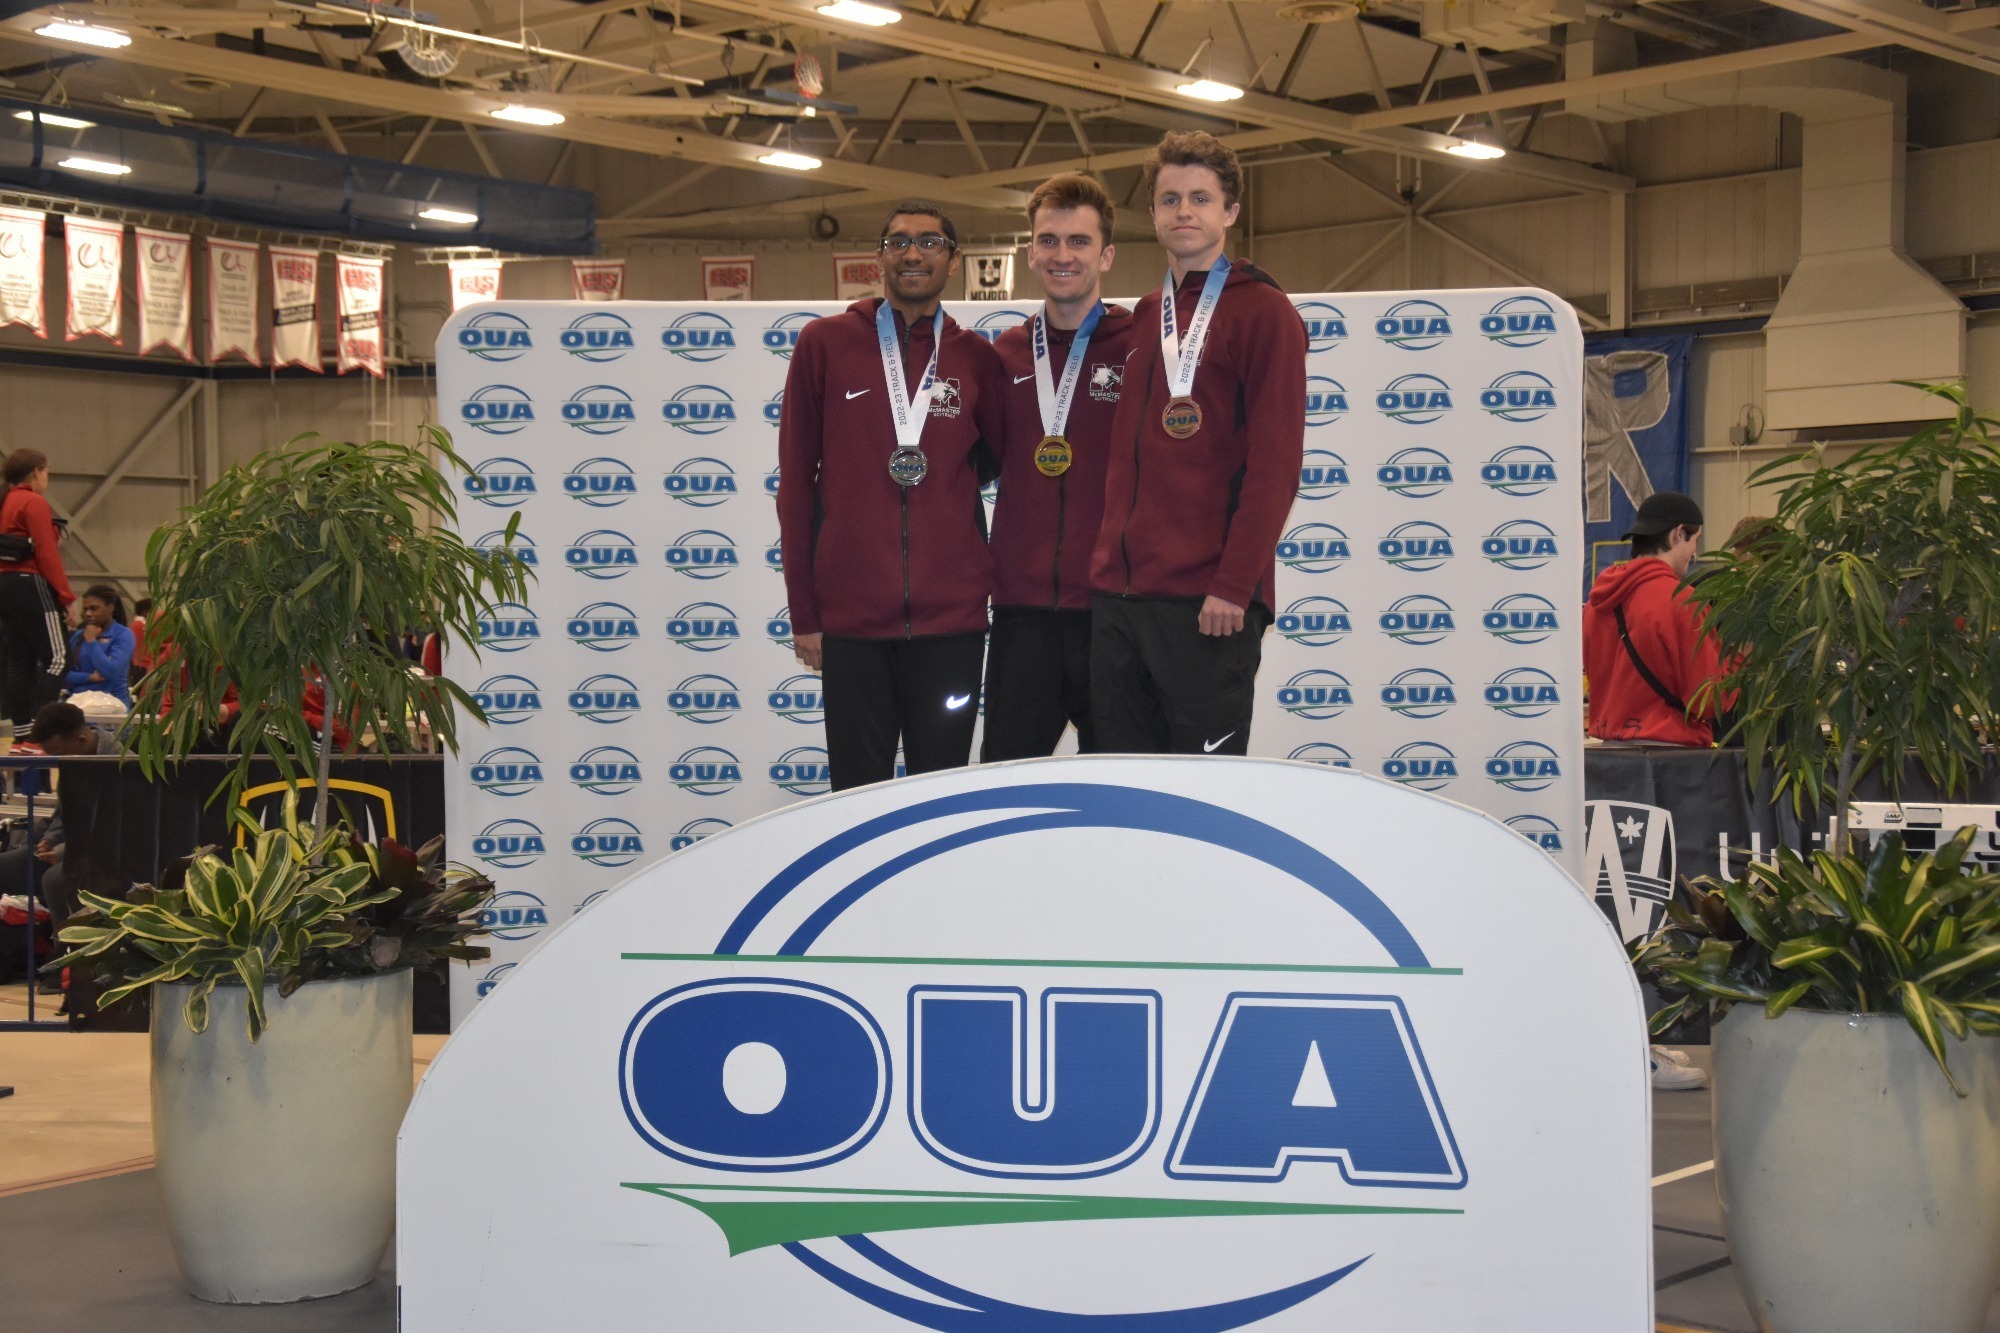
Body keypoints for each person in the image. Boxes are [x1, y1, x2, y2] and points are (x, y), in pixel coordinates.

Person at [1088, 131, 1307, 755]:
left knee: (1200, 795)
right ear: (1153, 213)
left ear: (1230, 212)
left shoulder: (1265, 313)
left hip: (1208, 604)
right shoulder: (1145, 315)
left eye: (1201, 199)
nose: (1184, 211)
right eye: (1170, 199)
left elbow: (1275, 466)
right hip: (1121, 601)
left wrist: (1234, 584)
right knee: (1123, 790)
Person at [777, 201, 1006, 790]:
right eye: (898, 242)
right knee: (855, 796)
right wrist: (805, 612)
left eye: (930, 242)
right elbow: (796, 483)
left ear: (953, 260)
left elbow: (990, 459)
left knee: (941, 793)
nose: (912, 254)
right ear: (878, 258)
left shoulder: (977, 358)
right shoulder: (824, 344)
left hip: (951, 628)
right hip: (852, 627)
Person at [982, 174, 1134, 760]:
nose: (1062, 255)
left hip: (1115, 611)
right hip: (1021, 614)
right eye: (1048, 240)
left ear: (1107, 255)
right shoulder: (1003, 355)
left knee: (1117, 790)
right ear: (1030, 253)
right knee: (1006, 788)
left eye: (1078, 241)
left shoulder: (1142, 348)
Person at [1582, 491, 1732, 747]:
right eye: (1696, 540)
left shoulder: (1595, 604)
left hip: (1612, 754)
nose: (1695, 552)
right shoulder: (1683, 600)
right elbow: (1709, 701)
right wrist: (1738, 657)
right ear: (1678, 534)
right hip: (1670, 754)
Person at [0, 702, 119, 941]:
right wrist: (50, 839)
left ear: (82, 740)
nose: (55, 762)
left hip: (109, 855)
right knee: (5, 867)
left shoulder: (122, 766)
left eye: (58, 754)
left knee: (54, 880)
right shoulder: (74, 757)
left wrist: (63, 851)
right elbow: (63, 815)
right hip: (70, 847)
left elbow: (113, 828)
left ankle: (65, 954)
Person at [0, 448, 75, 739]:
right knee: (58, 658)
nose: (47, 478)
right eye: (47, 472)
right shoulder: (33, 501)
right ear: (36, 471)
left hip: (5, 584)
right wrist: (66, 597)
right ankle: (39, 733)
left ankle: (22, 736)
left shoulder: (5, 501)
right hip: (30, 581)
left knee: (21, 661)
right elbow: (47, 554)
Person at [64, 584, 135, 707]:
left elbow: (110, 671)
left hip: (113, 705)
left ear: (110, 608)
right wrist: (89, 677)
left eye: (94, 608)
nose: (88, 613)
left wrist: (91, 641)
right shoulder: (78, 636)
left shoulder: (123, 634)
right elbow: (63, 674)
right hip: (77, 703)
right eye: (85, 609)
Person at [128, 595, 155, 688]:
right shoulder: (143, 626)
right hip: (143, 665)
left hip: (137, 664)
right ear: (146, 611)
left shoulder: (134, 625)